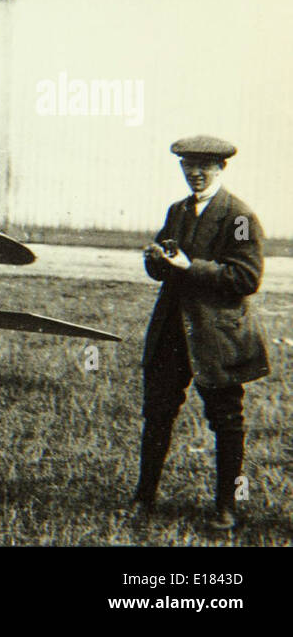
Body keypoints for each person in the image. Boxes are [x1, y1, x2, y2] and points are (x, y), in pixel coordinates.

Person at [133, 135, 269, 531]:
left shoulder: (239, 217)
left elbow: (246, 277)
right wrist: (156, 261)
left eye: (204, 167)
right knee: (157, 415)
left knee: (226, 420)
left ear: (221, 168)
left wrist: (190, 266)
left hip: (217, 338)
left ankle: (225, 507)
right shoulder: (177, 211)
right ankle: (144, 499)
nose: (195, 174)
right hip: (171, 333)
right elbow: (166, 265)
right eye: (188, 167)